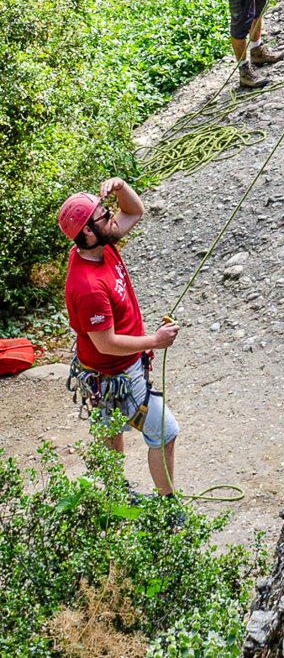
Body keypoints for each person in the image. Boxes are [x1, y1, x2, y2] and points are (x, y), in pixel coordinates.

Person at [58, 181, 181, 499]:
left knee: (111, 432)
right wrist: (154, 341)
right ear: (86, 232)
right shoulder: (88, 286)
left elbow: (134, 211)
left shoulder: (100, 245)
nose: (112, 216)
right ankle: (167, 508)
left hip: (103, 372)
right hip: (116, 373)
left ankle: (114, 496)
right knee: (165, 431)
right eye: (102, 215)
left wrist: (121, 187)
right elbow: (107, 343)